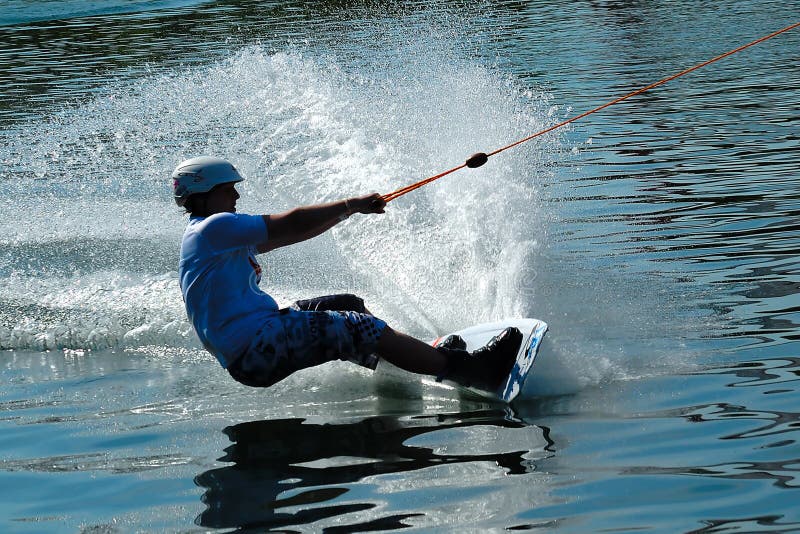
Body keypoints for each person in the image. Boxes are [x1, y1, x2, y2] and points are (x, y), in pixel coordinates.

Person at [174, 156, 522, 392]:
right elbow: (292, 221)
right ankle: (472, 370)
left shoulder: (211, 236)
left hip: (257, 345)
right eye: (227, 189)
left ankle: (415, 359)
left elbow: (293, 232)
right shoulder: (214, 229)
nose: (236, 194)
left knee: (346, 304)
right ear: (203, 196)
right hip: (257, 349)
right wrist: (350, 205)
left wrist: (349, 214)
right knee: (357, 325)